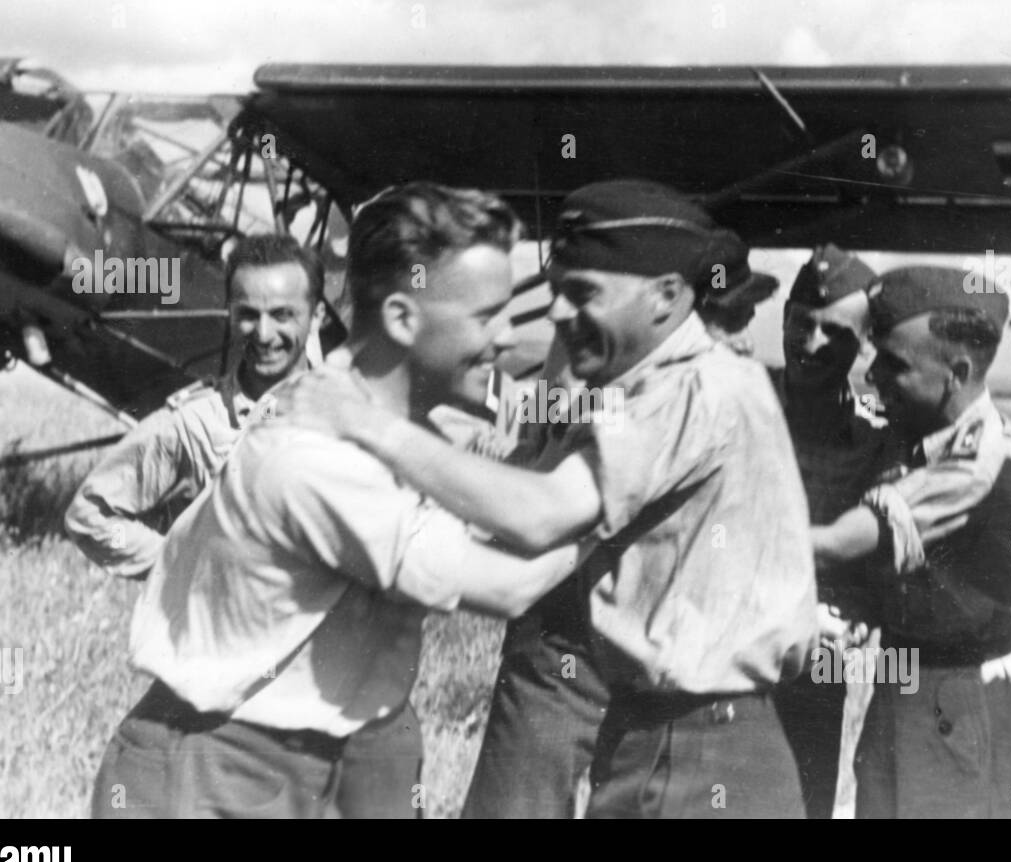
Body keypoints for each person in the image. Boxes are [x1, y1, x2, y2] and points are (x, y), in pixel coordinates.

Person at [287, 179, 819, 818]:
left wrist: (368, 426)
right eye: (559, 290)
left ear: (668, 297)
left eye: (583, 293)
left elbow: (538, 515)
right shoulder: (670, 387)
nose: (559, 317)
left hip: (699, 751)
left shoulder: (689, 391)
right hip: (669, 736)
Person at [91, 182, 588, 819]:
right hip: (215, 767)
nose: (505, 337)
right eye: (486, 314)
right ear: (404, 318)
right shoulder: (320, 458)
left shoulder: (402, 423)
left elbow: (513, 487)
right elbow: (512, 585)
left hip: (319, 755)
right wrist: (622, 494)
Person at [812, 265, 1011, 818]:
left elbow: (856, 536)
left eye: (894, 364)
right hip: (909, 691)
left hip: (962, 704)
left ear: (957, 371)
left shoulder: (982, 459)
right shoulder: (914, 439)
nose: (872, 376)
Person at [65, 233, 325, 579]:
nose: (263, 334)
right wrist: (179, 567)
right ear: (229, 314)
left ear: (317, 316)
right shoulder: (195, 425)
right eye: (248, 315)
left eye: (282, 315)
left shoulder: (358, 416)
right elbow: (90, 515)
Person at [774, 243, 890, 820]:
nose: (811, 343)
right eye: (801, 323)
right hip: (717, 649)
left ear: (865, 345)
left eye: (834, 333)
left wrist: (860, 607)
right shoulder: (742, 401)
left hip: (818, 657)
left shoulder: (879, 436)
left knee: (804, 800)